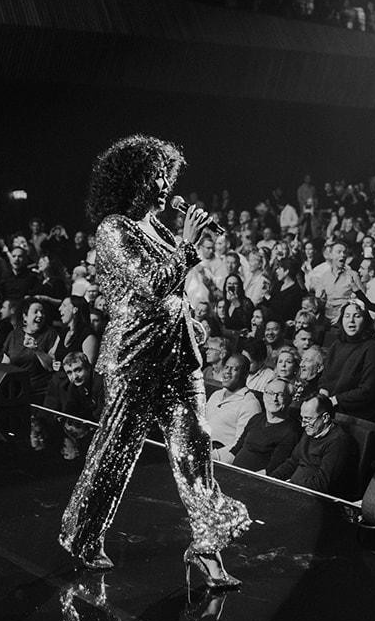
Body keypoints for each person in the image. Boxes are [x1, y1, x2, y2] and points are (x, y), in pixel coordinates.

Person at [59, 135, 250, 589]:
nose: (167, 183)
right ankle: (84, 537)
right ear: (135, 180)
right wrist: (187, 244)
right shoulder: (114, 229)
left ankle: (206, 548)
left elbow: (177, 291)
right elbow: (151, 283)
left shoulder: (158, 227)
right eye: (158, 175)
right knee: (115, 454)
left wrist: (192, 321)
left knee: (195, 450)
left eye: (169, 175)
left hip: (179, 359)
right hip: (134, 359)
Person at [271, 393, 360, 498]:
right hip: (296, 490)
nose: (303, 424)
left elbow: (322, 484)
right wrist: (271, 480)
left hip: (316, 499)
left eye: (308, 419)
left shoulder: (339, 442)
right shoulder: (311, 431)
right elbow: (292, 462)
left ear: (325, 417)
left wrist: (289, 485)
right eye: (302, 418)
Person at [318, 299, 375, 420]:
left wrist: (335, 400)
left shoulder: (372, 348)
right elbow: (325, 376)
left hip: (355, 415)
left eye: (357, 316)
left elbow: (367, 390)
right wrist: (324, 392)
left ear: (365, 320)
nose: (351, 321)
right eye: (347, 316)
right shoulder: (337, 344)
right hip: (331, 408)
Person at [228, 377, 301, 473]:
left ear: (289, 399)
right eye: (270, 393)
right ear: (264, 395)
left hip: (255, 480)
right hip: (233, 472)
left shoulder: (292, 430)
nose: (274, 399)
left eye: (280, 395)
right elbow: (235, 450)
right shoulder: (256, 418)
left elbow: (272, 469)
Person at [205, 355, 262, 463]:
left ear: (245, 374)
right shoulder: (216, 395)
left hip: (218, 461)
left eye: (235, 369)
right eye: (226, 367)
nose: (228, 372)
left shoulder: (250, 404)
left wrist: (211, 457)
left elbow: (240, 446)